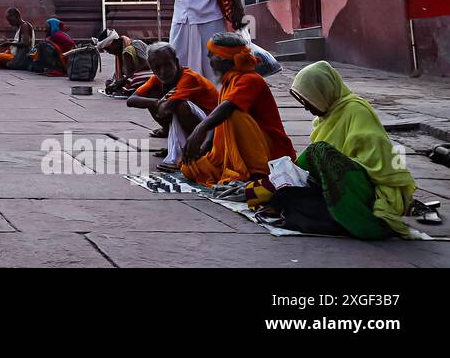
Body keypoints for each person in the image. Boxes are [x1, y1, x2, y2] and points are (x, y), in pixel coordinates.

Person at [285, 61, 419, 239]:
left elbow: (381, 164)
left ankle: (366, 225)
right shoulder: (327, 117)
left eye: (310, 99)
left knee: (320, 151)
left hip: (371, 188)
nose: (306, 107)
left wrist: (331, 164)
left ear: (326, 91)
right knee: (299, 172)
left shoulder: (356, 111)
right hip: (347, 183)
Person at [180, 33, 294, 185]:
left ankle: (255, 173)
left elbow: (227, 109)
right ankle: (233, 167)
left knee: (232, 113)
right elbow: (218, 122)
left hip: (271, 152)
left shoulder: (251, 79)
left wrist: (199, 129)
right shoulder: (229, 81)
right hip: (248, 146)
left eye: (211, 56)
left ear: (222, 58)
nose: (209, 61)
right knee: (190, 167)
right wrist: (204, 147)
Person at [126, 43, 218, 167]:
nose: (163, 72)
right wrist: (157, 102)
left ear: (176, 61)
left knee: (180, 106)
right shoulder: (156, 78)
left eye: (167, 65)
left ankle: (193, 149)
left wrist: (162, 103)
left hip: (212, 129)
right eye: (157, 68)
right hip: (194, 123)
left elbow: (166, 107)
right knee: (152, 98)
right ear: (152, 69)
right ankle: (177, 146)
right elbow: (131, 100)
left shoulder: (189, 78)